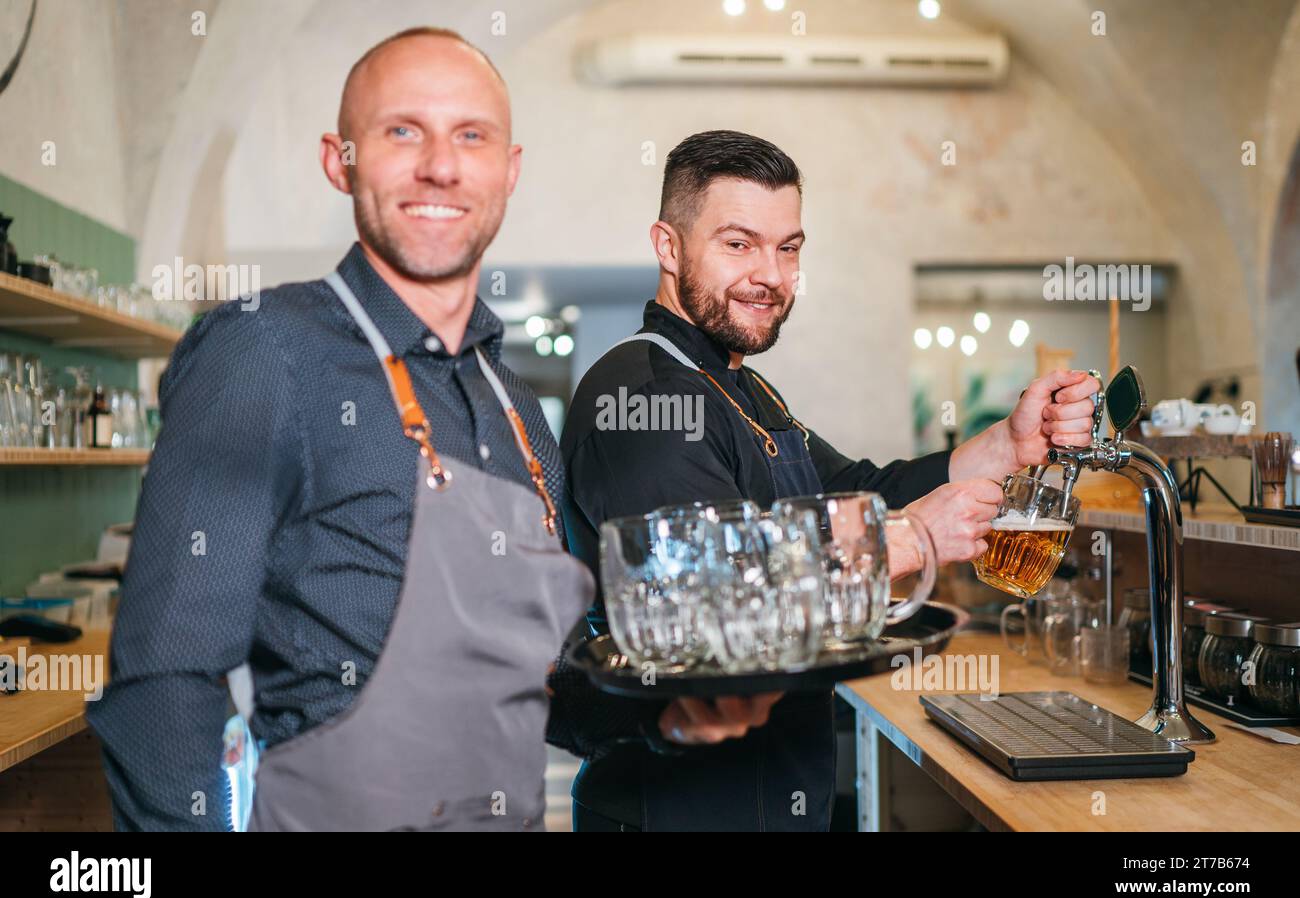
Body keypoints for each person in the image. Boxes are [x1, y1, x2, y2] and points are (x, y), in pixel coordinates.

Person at [86, 27, 594, 831]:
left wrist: (666, 719)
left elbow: (536, 685)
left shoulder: (518, 409)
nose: (441, 164)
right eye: (402, 132)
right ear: (340, 160)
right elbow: (164, 680)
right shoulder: (266, 351)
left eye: (472, 134)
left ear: (509, 169)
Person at [555, 129, 1101, 831]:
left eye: (789, 248)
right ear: (668, 246)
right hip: (678, 809)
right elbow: (719, 604)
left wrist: (1008, 443)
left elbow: (866, 488)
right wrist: (907, 543)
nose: (772, 275)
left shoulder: (740, 389)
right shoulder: (644, 398)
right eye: (738, 244)